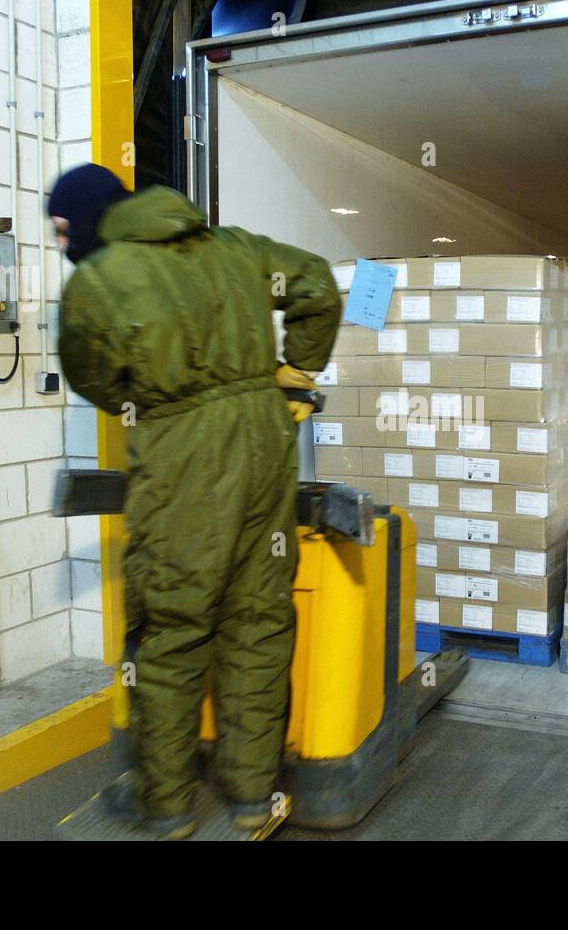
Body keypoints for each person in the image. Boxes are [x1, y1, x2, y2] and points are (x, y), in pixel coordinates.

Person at [49, 164, 341, 838]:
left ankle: (169, 803)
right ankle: (249, 799)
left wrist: (151, 396)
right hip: (264, 446)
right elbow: (318, 284)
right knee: (257, 620)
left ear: (94, 217)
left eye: (65, 229)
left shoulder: (99, 281)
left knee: (173, 629)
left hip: (178, 454)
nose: (63, 244)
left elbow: (92, 374)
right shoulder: (236, 248)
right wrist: (294, 373)